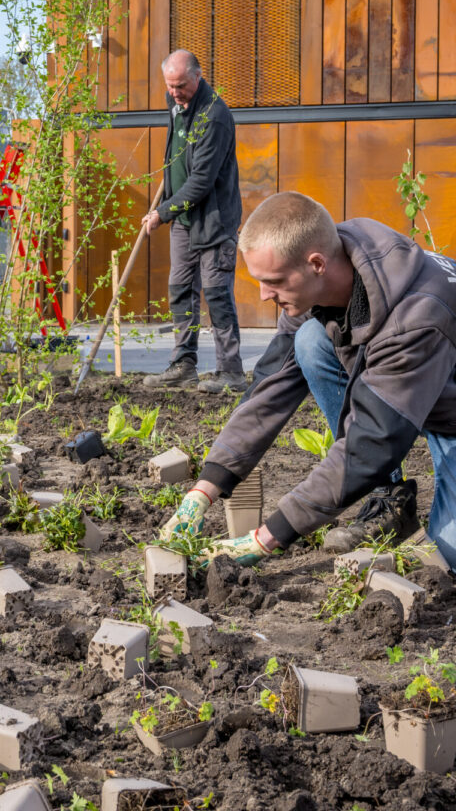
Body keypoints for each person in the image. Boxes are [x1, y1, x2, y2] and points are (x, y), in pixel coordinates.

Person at [159, 191, 454, 569]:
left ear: (315, 263)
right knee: (310, 340)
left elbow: (374, 442)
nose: (265, 295)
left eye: (275, 281)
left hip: (449, 412)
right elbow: (272, 384)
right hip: (412, 394)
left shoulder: (416, 317)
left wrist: (266, 538)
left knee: (450, 553)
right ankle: (389, 499)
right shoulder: (327, 276)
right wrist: (205, 488)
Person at [141, 49, 245, 393]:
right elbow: (178, 158)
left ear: (197, 78)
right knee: (180, 291)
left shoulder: (213, 116)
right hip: (185, 221)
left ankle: (231, 373)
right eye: (170, 86)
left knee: (216, 295)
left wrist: (162, 212)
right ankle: (183, 364)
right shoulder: (178, 107)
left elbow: (201, 179)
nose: (174, 92)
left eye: (181, 86)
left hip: (213, 221)